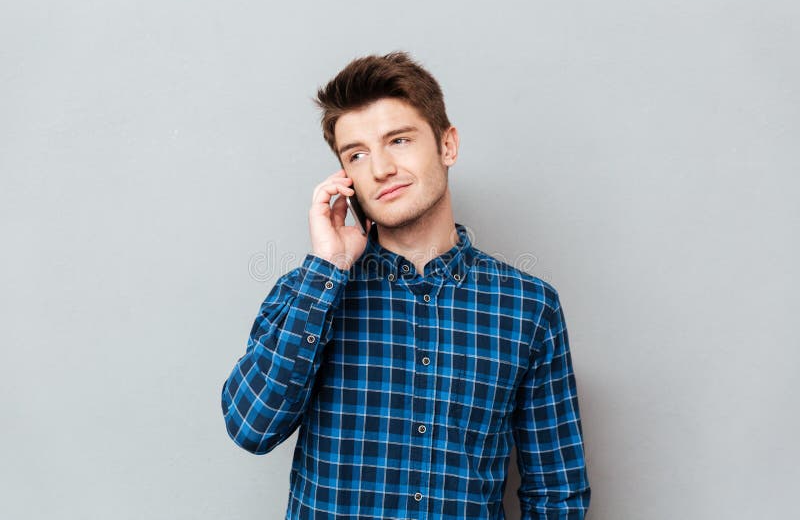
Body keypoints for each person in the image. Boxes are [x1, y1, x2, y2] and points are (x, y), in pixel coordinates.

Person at [221, 51, 591, 519]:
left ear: (447, 145)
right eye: (357, 154)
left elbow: (556, 492)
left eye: (398, 140)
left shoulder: (529, 307)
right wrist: (327, 270)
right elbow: (252, 427)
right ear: (344, 177)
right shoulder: (306, 292)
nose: (380, 169)